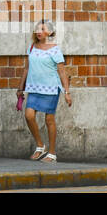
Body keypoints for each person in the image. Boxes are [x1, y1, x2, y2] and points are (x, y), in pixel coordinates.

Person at [17, 19, 72, 162]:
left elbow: (62, 71)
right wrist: (20, 88)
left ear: (50, 32)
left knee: (49, 120)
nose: (38, 31)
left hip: (51, 88)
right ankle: (40, 146)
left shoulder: (55, 49)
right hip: (34, 88)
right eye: (37, 29)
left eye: (42, 29)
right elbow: (26, 69)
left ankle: (52, 153)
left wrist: (67, 92)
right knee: (29, 116)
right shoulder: (32, 47)